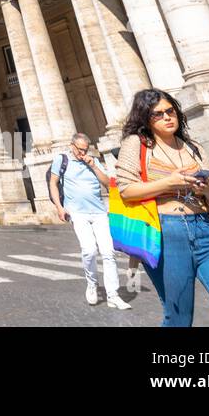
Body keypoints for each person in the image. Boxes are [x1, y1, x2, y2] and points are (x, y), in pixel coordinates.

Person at [116, 89, 209, 327]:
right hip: (167, 235)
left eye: (170, 111)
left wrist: (207, 191)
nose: (167, 117)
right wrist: (168, 183)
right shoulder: (136, 145)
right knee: (179, 319)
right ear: (145, 119)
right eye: (157, 114)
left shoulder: (194, 147)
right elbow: (126, 190)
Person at [49, 133, 131, 310]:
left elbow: (108, 184)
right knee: (89, 250)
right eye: (80, 150)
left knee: (108, 252)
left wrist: (94, 166)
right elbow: (53, 183)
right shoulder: (61, 159)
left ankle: (113, 294)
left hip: (99, 212)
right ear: (72, 146)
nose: (83, 153)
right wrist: (59, 207)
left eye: (85, 150)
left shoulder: (93, 160)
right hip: (78, 213)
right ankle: (92, 284)